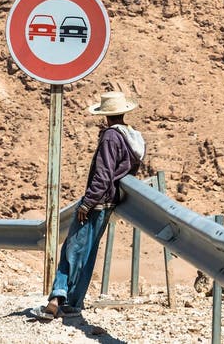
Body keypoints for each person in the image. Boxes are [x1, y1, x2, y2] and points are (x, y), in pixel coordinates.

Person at [31, 90, 145, 321]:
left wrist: (88, 203)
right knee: (88, 253)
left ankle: (55, 300)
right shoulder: (131, 137)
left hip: (97, 203)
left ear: (106, 115)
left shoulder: (111, 137)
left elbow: (103, 174)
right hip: (110, 202)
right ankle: (73, 303)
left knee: (72, 250)